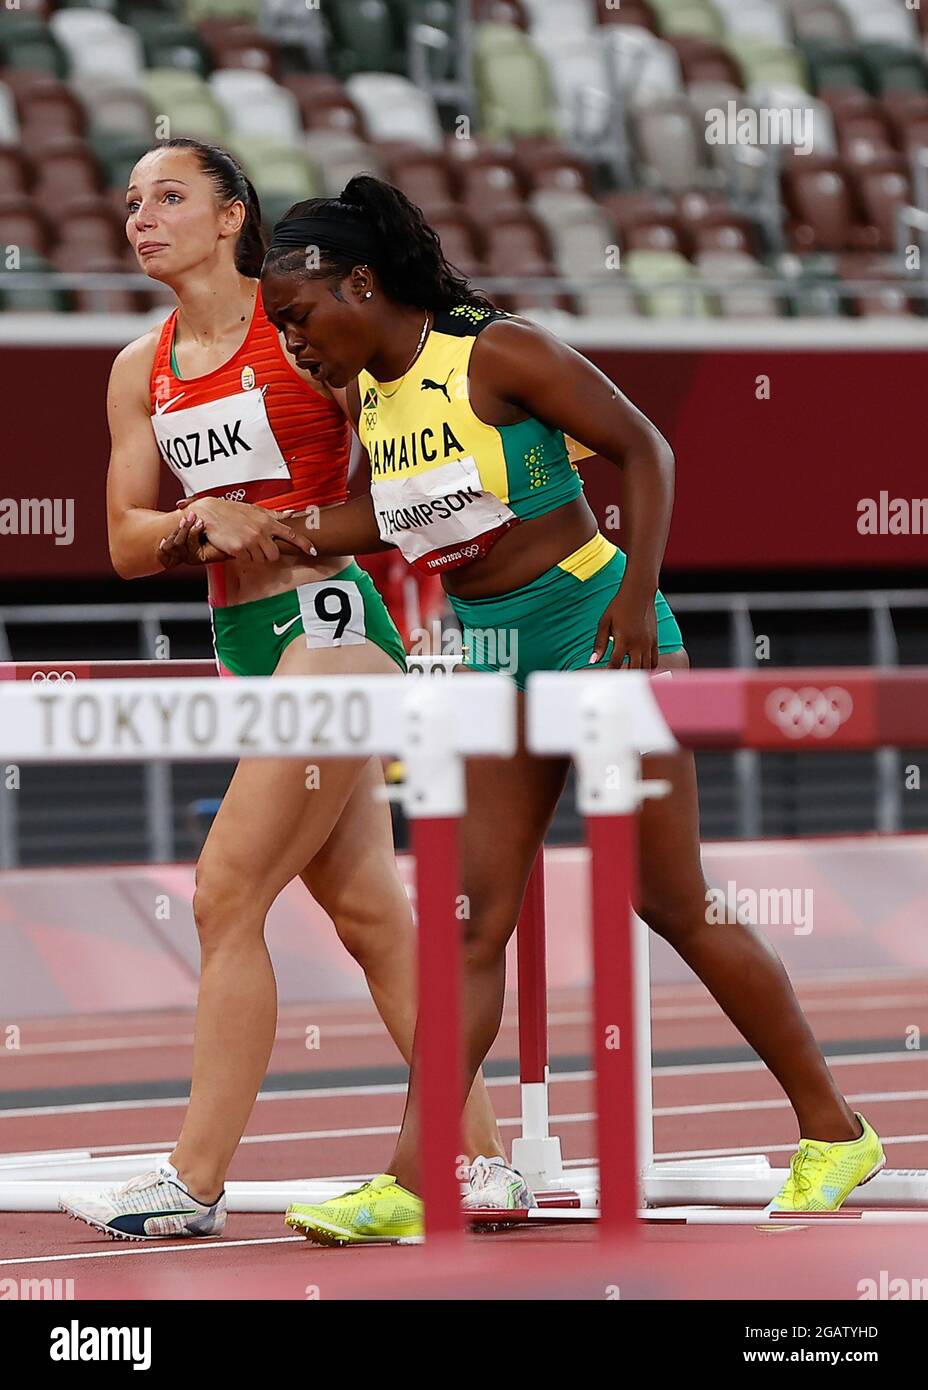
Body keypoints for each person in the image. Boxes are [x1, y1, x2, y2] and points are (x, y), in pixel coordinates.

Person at [174, 176, 885, 1244]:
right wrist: (293, 530)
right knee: (471, 924)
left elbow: (647, 448)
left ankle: (835, 1131)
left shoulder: (499, 352)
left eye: (301, 317)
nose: (296, 342)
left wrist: (640, 597)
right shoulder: (376, 388)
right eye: (279, 327)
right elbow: (394, 511)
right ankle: (422, 1178)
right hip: (492, 657)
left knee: (671, 899)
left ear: (360, 283)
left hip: (598, 633)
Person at [59, 145, 504, 1244]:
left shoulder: (300, 325)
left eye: (169, 197)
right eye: (129, 202)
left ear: (231, 219)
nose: (141, 218)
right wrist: (194, 518)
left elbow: (415, 443)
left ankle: (191, 1180)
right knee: (370, 920)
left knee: (224, 893)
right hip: (242, 638)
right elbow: (123, 542)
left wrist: (298, 523)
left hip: (332, 629)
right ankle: (485, 1163)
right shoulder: (139, 366)